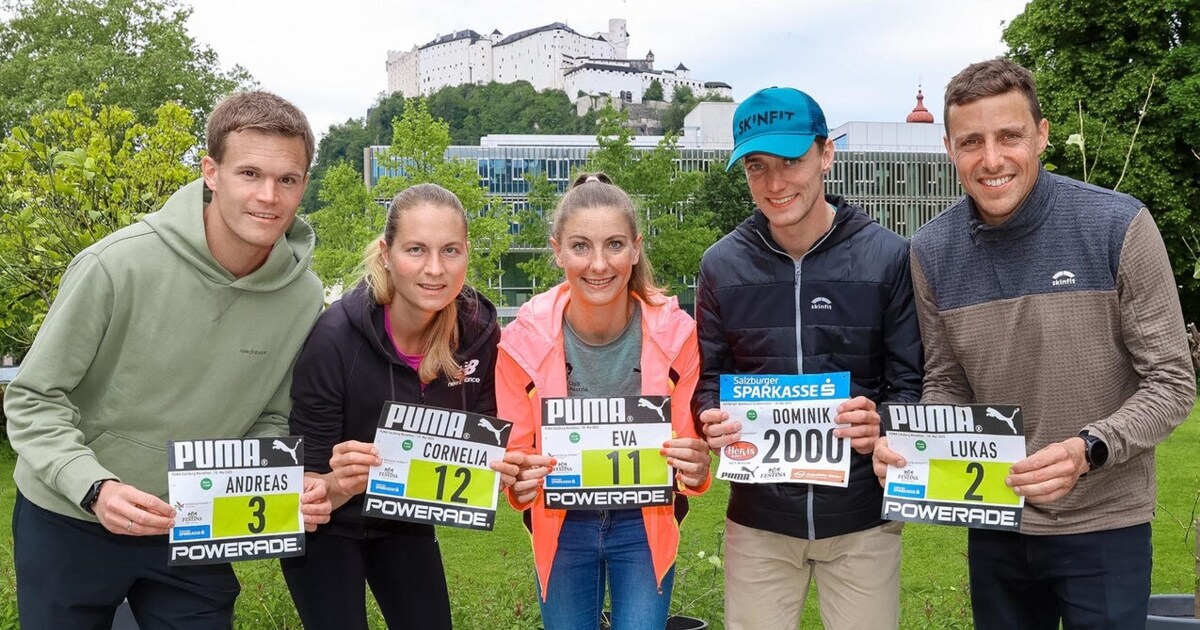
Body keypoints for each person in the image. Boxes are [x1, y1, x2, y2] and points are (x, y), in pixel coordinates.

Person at [872, 58, 1196, 629]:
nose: (991, 159)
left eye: (1010, 136)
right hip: (995, 520)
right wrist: (914, 444)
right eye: (972, 141)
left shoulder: (1119, 225)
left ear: (1041, 136)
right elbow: (946, 379)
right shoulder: (930, 250)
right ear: (949, 148)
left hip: (1104, 522)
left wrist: (1091, 447)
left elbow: (1171, 381)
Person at [4, 91, 331, 628]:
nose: (268, 196)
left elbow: (271, 416)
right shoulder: (115, 266)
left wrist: (274, 480)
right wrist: (93, 486)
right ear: (211, 172)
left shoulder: (302, 296)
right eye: (249, 173)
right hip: (70, 515)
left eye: (287, 179)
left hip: (193, 526)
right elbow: (34, 397)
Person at [694, 87, 923, 630]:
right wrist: (712, 419)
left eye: (792, 161)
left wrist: (883, 423)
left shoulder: (888, 255)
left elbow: (911, 383)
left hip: (863, 519)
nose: (775, 184)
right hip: (758, 521)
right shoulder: (721, 265)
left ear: (826, 154)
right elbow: (708, 378)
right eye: (757, 166)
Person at [494, 173, 712, 629]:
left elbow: (690, 450)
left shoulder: (680, 335)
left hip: (644, 522)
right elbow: (516, 453)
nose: (598, 264)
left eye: (613, 245)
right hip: (561, 522)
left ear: (635, 248)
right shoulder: (519, 343)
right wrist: (520, 478)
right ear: (557, 251)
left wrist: (695, 465)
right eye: (580, 247)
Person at [280, 183, 499, 630]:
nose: (435, 269)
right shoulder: (334, 337)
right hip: (328, 530)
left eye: (450, 251)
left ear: (466, 253)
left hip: (405, 520)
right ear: (386, 252)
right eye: (416, 249)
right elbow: (304, 488)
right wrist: (339, 482)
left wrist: (506, 463)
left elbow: (482, 441)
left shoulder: (479, 333)